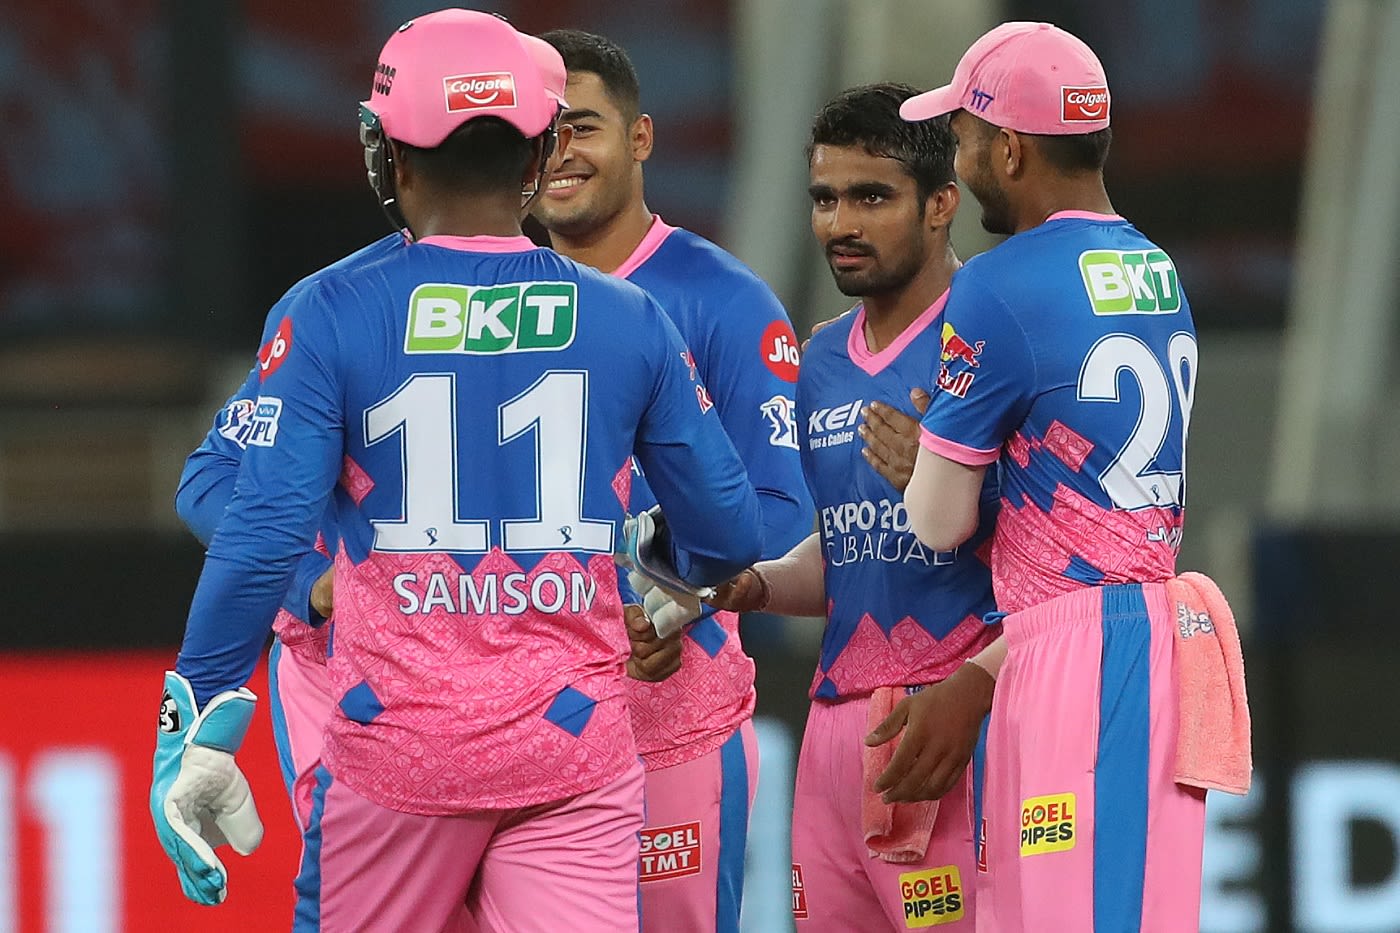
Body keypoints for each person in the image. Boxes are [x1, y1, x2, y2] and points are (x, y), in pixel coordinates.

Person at [149, 11, 763, 933]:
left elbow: (262, 524)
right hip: (573, 751)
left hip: (398, 754)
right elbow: (731, 535)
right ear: (539, 152)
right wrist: (652, 564)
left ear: (388, 158)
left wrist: (196, 709)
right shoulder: (631, 317)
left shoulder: (328, 311)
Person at [884, 21, 1248, 932]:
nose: (958, 163)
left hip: (1076, 655)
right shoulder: (1157, 267)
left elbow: (936, 520)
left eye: (963, 139)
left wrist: (932, 449)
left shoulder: (1000, 282)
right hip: (1132, 635)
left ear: (1008, 149)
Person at [529, 30, 815, 933]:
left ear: (642, 137)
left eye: (583, 126)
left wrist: (664, 592)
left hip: (669, 719)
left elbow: (783, 513)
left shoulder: (724, 302)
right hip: (506, 732)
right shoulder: (480, 299)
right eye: (540, 132)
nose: (560, 153)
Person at [710, 84, 1000, 931]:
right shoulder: (821, 358)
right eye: (826, 198)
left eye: (871, 197)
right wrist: (756, 586)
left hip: (948, 718)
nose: (841, 223)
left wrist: (944, 478)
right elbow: (843, 550)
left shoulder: (992, 329)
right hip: (834, 730)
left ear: (943, 203)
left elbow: (1054, 543)